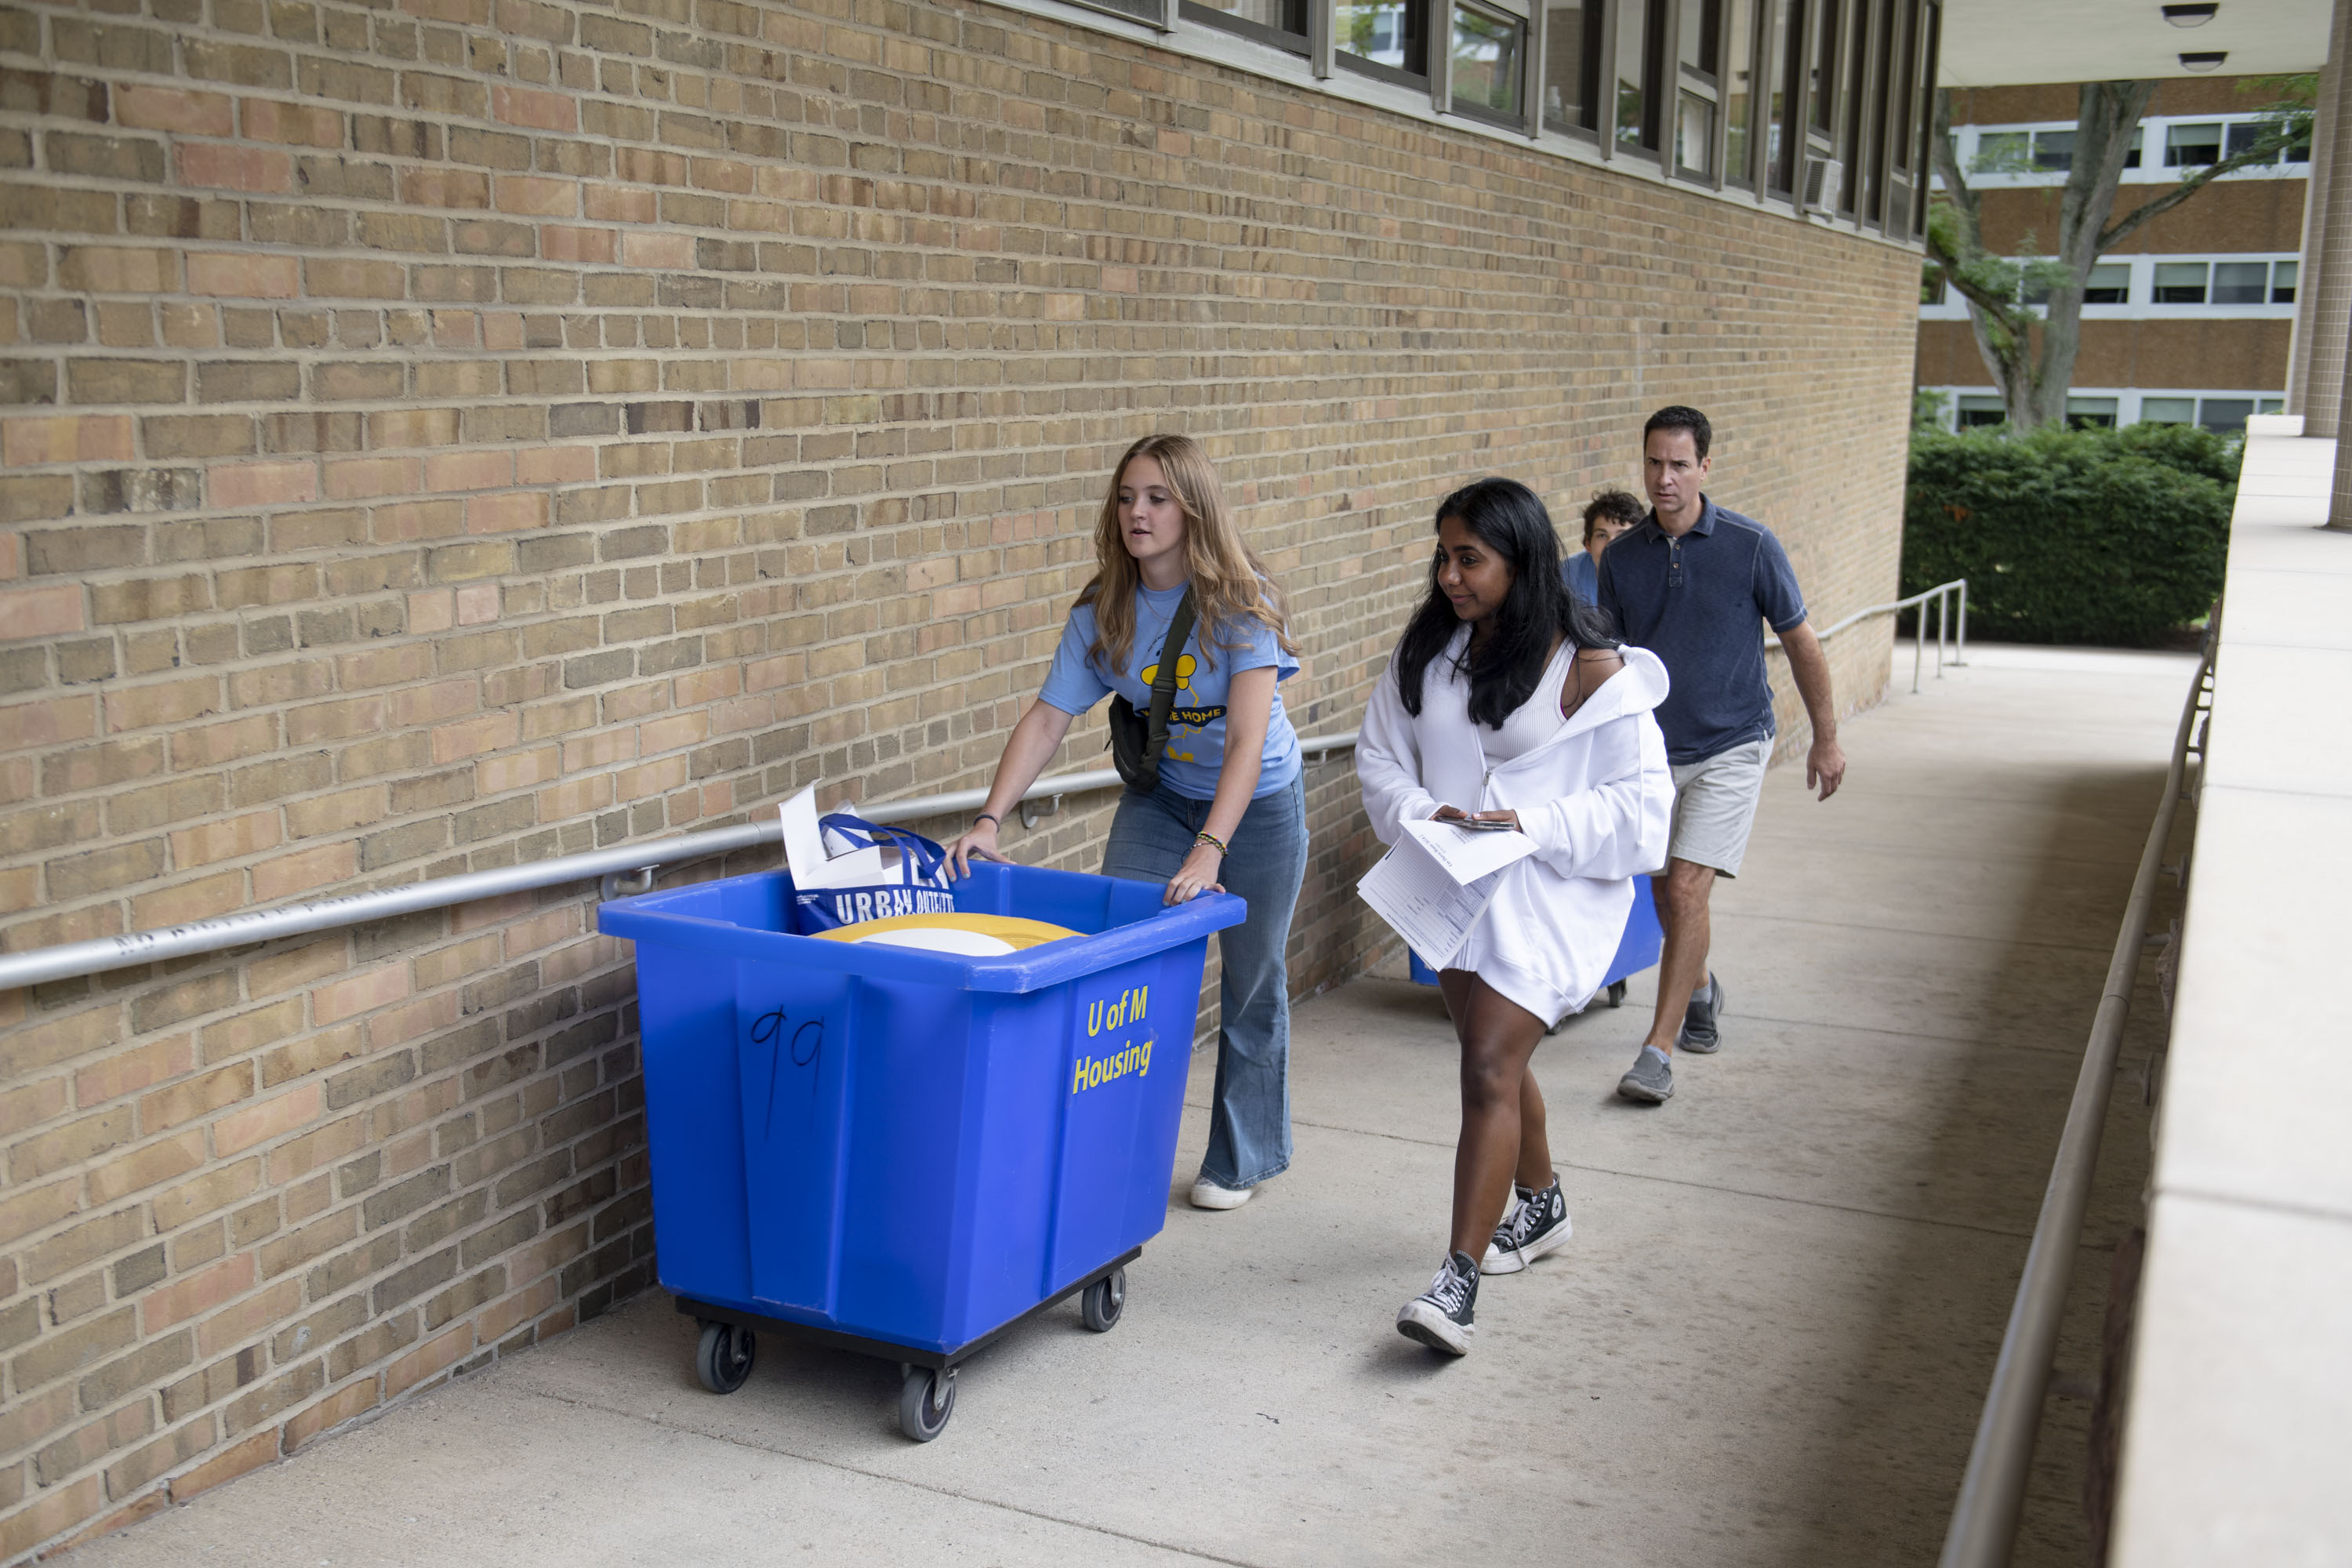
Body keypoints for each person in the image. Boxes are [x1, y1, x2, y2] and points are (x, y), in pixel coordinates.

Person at [945, 434, 1309, 1210]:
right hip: (1162, 795)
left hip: (1259, 804)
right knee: (1119, 959)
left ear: (1194, 508)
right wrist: (988, 817)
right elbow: (1047, 719)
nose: (1136, 513)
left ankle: (1239, 1158)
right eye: (1125, 497)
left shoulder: (1244, 601)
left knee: (1251, 978)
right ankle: (1107, 1139)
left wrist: (1213, 845)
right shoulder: (1103, 606)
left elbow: (1248, 738)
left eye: (1156, 497)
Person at [1359, 477, 1672, 1356]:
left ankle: (1454, 1282)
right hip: (1452, 882)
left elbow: (1642, 813)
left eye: (1471, 559)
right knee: (1491, 1058)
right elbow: (1381, 754)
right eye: (1444, 554)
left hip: (1550, 895)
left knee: (1490, 1063)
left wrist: (1529, 823)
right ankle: (1541, 1202)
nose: (1450, 574)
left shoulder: (1590, 665)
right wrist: (1425, 816)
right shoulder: (1430, 650)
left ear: (1522, 560)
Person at [1597, 405, 1847, 1107]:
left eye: (1679, 464)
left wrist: (1826, 737)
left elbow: (1801, 642)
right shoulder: (1621, 559)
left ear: (1706, 466)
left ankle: (1656, 1052)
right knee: (1663, 893)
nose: (1664, 478)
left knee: (1684, 889)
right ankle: (1700, 987)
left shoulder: (1751, 545)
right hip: (1654, 749)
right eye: (1654, 463)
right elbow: (1609, 663)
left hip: (1733, 743)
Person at [1566, 487, 1644, 606]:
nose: (1611, 546)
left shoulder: (1654, 580)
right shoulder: (1567, 575)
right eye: (1602, 535)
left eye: (1622, 535)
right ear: (1588, 544)